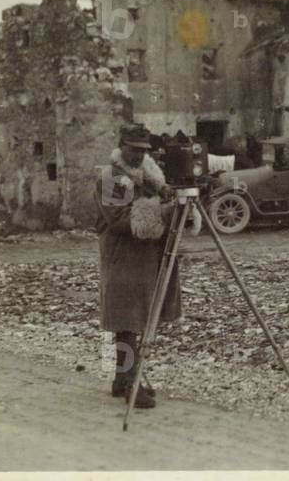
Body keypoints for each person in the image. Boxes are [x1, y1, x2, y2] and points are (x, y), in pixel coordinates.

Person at [94, 124, 181, 409]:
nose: (139, 155)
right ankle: (131, 381)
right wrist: (162, 210)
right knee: (128, 319)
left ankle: (122, 379)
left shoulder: (149, 175)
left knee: (132, 319)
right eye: (134, 149)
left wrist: (164, 197)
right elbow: (120, 219)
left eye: (144, 151)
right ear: (122, 146)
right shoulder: (111, 177)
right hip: (122, 256)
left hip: (143, 255)